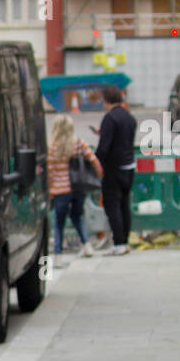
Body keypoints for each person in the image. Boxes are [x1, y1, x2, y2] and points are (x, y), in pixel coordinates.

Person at [47, 116, 103, 257]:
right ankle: (87, 245)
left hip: (60, 191)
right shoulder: (79, 144)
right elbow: (94, 161)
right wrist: (99, 175)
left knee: (58, 223)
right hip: (78, 188)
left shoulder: (53, 147)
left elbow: (50, 172)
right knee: (77, 216)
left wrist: (50, 191)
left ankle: (58, 254)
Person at [96, 84, 137, 254]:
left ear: (106, 100)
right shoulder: (129, 117)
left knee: (112, 204)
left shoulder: (109, 118)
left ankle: (118, 243)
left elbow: (104, 148)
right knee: (124, 204)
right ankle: (125, 241)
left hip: (114, 168)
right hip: (129, 165)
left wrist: (96, 162)